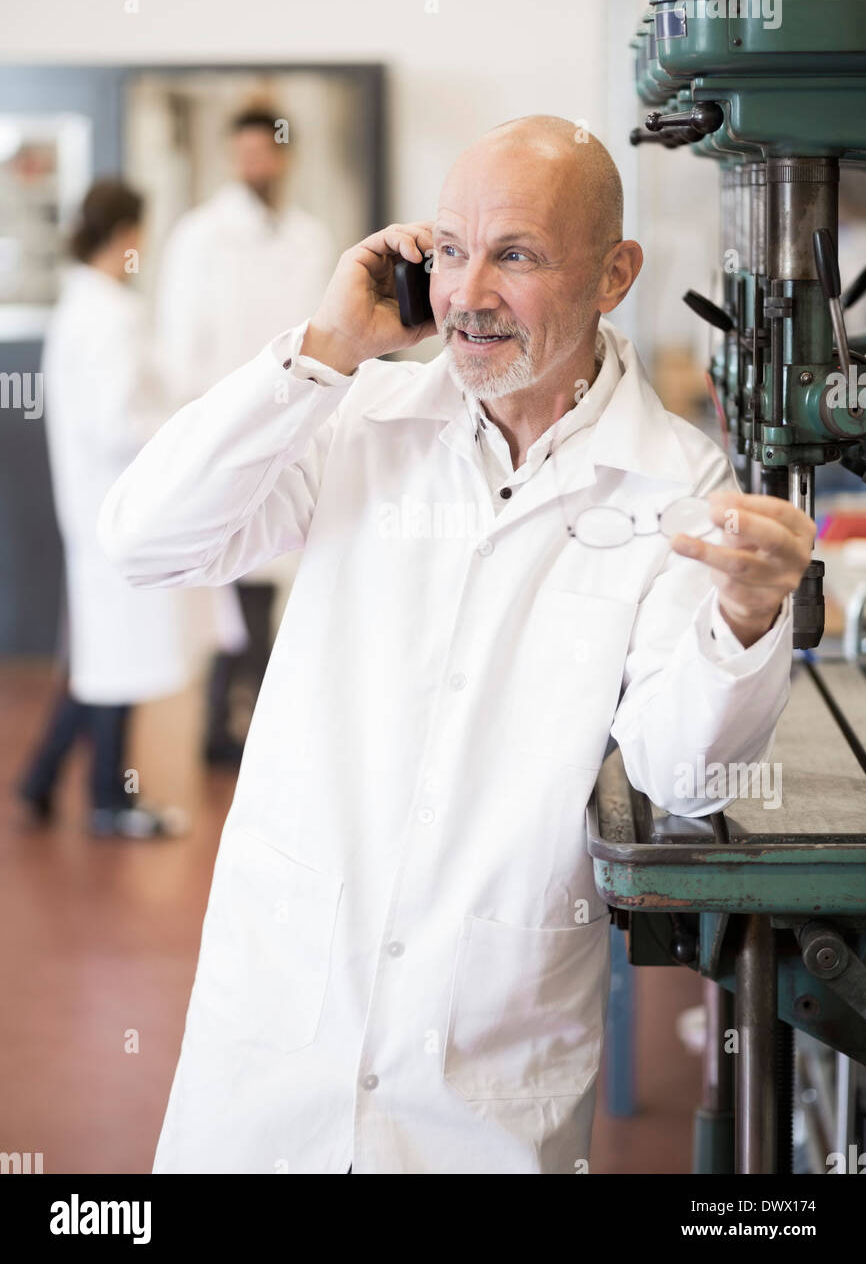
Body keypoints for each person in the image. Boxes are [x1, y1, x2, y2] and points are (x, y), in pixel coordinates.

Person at [98, 117, 813, 1172]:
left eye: (514, 254)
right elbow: (143, 541)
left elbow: (682, 773)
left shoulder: (674, 481)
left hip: (480, 1070)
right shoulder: (356, 415)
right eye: (446, 251)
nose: (466, 293)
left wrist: (746, 617)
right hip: (276, 1036)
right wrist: (323, 348)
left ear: (613, 274)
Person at [20, 180, 230, 838]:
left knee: (105, 653)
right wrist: (180, 436)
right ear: (128, 235)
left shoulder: (89, 304)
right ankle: (108, 799)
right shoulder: (106, 312)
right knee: (118, 656)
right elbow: (117, 422)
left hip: (96, 507)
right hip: (118, 506)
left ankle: (42, 781)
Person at [155, 107, 337, 763]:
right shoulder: (200, 236)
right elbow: (181, 344)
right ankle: (235, 727)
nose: (256, 165)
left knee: (263, 582)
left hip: (294, 425)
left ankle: (237, 727)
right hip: (227, 426)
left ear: (284, 157)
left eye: (267, 153)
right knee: (232, 583)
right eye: (245, 154)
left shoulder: (310, 238)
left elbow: (325, 331)